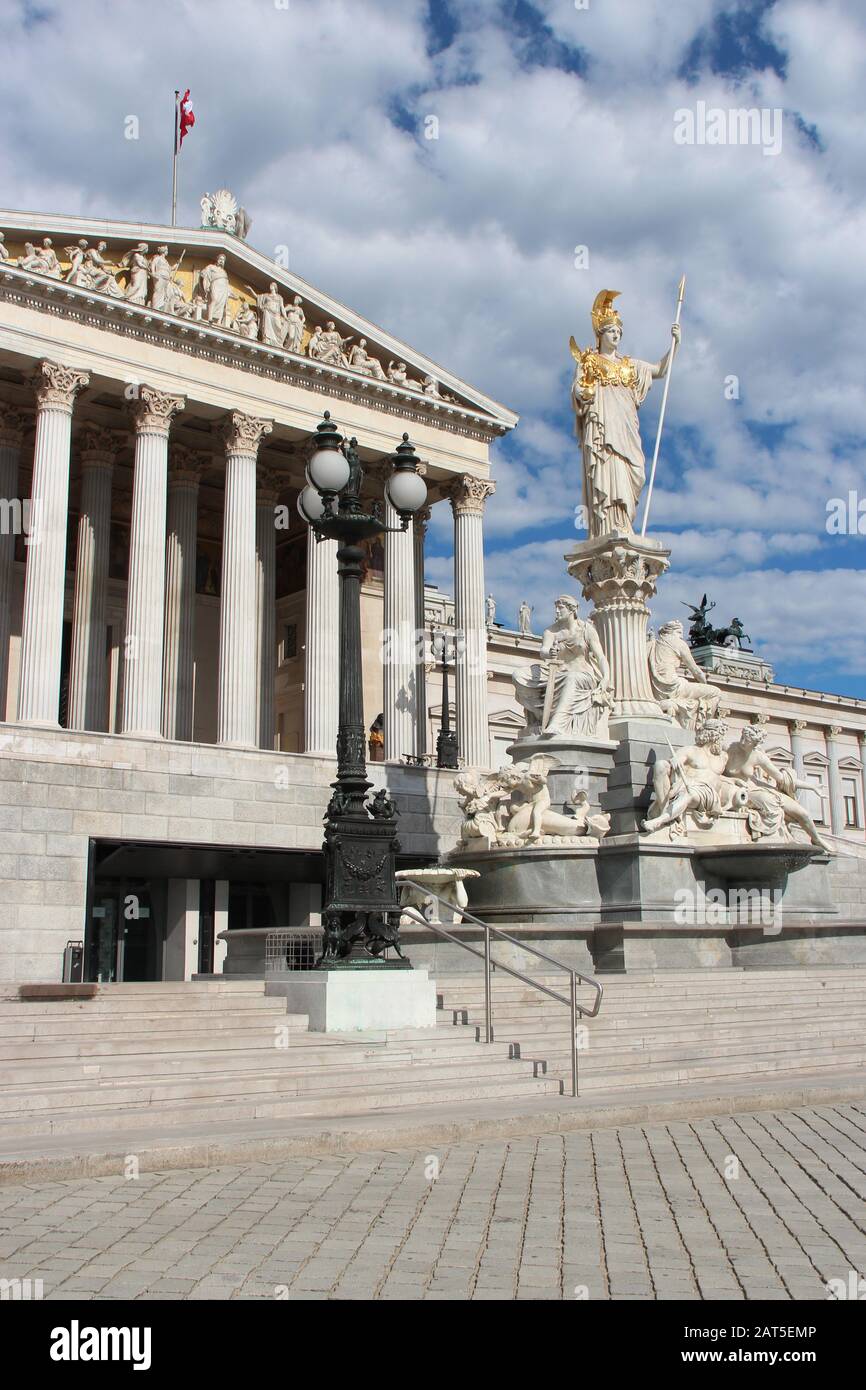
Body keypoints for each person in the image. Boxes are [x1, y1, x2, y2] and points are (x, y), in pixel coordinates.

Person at [571, 289, 680, 537]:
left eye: (619, 332)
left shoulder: (629, 366)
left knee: (634, 470)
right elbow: (578, 389)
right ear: (601, 334)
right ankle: (608, 526)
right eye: (611, 331)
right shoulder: (589, 363)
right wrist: (583, 393)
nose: (616, 335)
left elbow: (661, 370)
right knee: (609, 470)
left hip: (626, 427)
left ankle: (624, 524)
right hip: (604, 430)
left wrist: (674, 344)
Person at [513, 594, 612, 737]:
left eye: (560, 608)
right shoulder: (551, 631)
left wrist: (606, 677)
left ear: (572, 610)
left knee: (571, 678)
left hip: (582, 674)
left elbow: (601, 656)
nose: (557, 612)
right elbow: (543, 651)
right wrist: (550, 653)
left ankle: (558, 724)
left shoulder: (586, 630)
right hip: (556, 671)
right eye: (556, 609)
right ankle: (543, 714)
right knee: (519, 675)